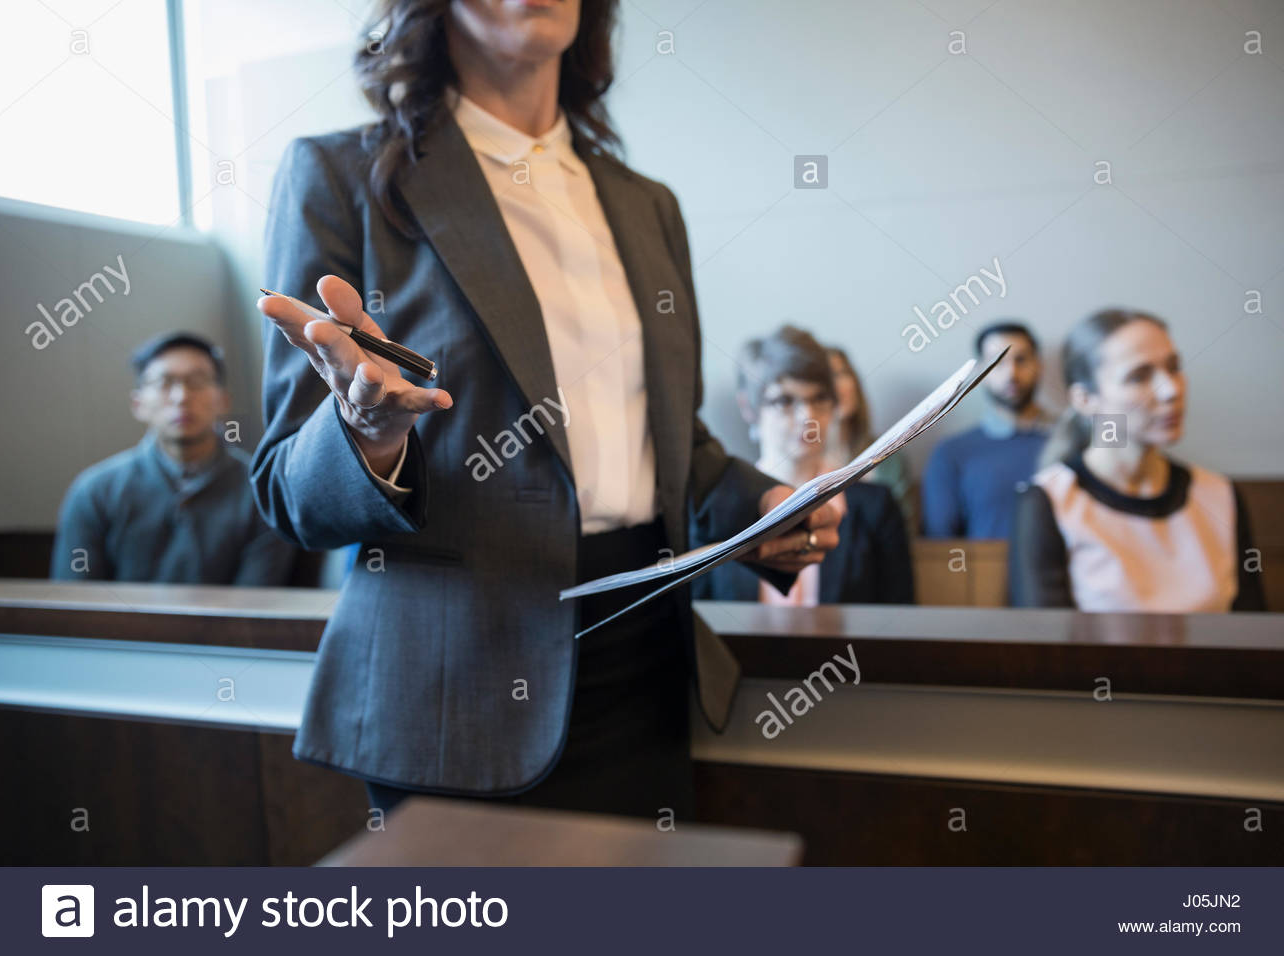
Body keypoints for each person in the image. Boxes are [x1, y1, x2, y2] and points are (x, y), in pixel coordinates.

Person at [251, 0, 842, 821]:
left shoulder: (646, 205)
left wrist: (764, 505)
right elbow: (284, 485)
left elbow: (677, 450)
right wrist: (365, 432)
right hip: (458, 695)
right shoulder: (341, 176)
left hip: (649, 669)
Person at [1010, 309, 1265, 612]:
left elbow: (1254, 633)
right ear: (1085, 400)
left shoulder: (1219, 495)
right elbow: (1045, 648)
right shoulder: (1050, 502)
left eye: (1174, 367)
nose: (1171, 390)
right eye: (1139, 376)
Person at [51, 332, 297, 586]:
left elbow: (256, 605)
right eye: (164, 383)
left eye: (198, 381)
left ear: (223, 400)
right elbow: (75, 600)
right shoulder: (95, 491)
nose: (182, 397)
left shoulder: (262, 491)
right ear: (138, 404)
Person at [693, 327, 913, 605]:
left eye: (819, 398)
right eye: (784, 400)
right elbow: (698, 618)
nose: (807, 416)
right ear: (749, 408)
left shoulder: (876, 508)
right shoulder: (714, 507)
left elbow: (899, 618)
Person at [921, 321, 1054, 539]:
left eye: (1021, 360)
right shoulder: (951, 452)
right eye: (997, 363)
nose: (1011, 373)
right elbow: (940, 545)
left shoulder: (1074, 439)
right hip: (984, 571)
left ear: (1038, 366)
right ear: (981, 372)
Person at [824, 346, 918, 536]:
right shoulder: (800, 461)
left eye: (842, 374)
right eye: (826, 378)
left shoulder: (890, 459)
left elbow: (904, 531)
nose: (838, 386)